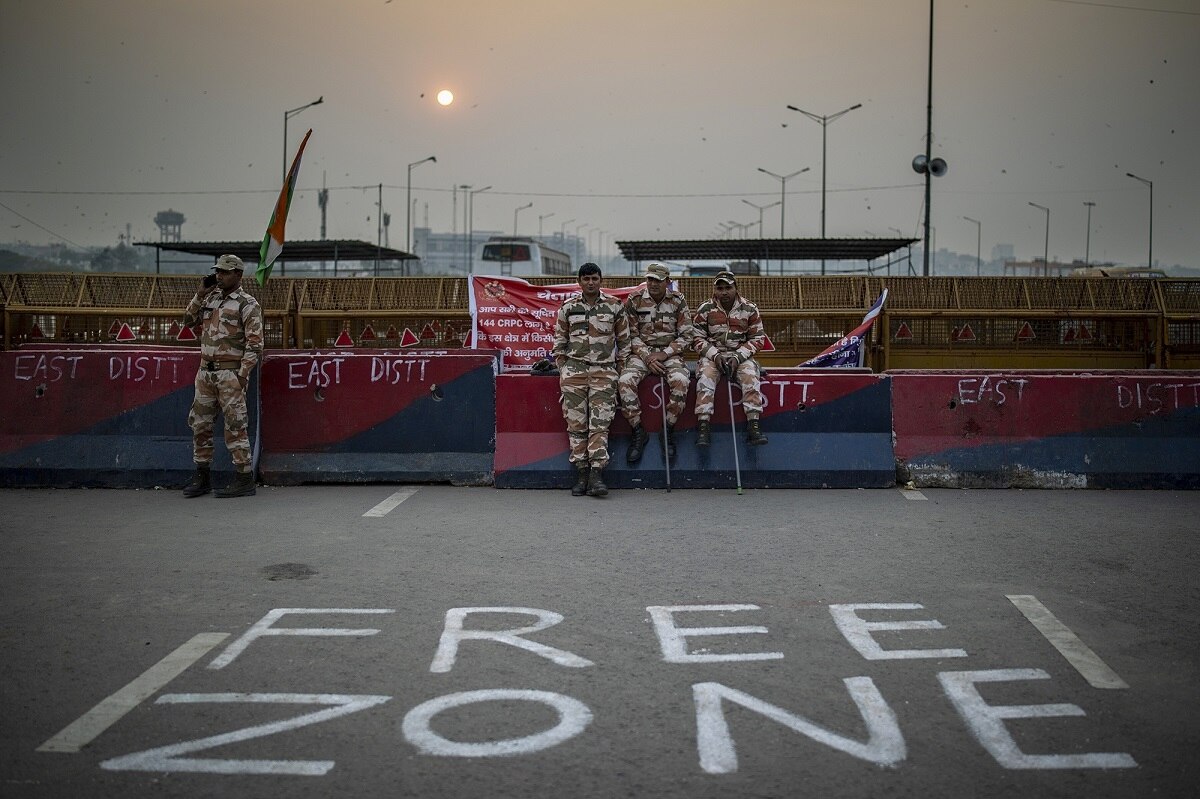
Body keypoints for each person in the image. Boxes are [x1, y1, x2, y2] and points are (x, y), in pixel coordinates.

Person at [181, 254, 264, 498]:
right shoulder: (211, 299)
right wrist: (199, 295)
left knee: (235, 426)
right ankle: (202, 475)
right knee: (200, 424)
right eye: (217, 271)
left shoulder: (247, 304)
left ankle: (244, 478)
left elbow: (255, 344)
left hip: (230, 373)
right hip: (205, 372)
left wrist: (242, 375)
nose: (219, 276)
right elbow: (187, 322)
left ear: (238, 275)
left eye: (225, 272)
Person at [552, 262, 631, 497]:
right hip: (574, 372)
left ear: (601, 280)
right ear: (579, 281)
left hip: (604, 372)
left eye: (594, 278)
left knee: (600, 424)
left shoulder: (614, 307)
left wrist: (619, 369)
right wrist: (564, 369)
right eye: (586, 279)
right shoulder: (568, 308)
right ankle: (582, 473)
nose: (590, 283)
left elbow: (624, 343)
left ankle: (597, 475)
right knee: (576, 424)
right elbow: (559, 343)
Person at [618, 262, 693, 463]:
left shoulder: (678, 301)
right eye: (650, 279)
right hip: (643, 354)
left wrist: (665, 354)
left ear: (667, 282)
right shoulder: (635, 300)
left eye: (658, 280)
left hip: (670, 354)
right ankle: (638, 431)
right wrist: (647, 356)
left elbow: (687, 335)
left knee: (681, 380)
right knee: (624, 381)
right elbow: (630, 335)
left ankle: (668, 429)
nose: (653, 284)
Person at [691, 270, 769, 446]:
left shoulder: (749, 308)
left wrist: (738, 356)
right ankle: (703, 426)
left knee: (750, 376)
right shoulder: (705, 309)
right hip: (713, 355)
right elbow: (696, 338)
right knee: (705, 378)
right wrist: (714, 355)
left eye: (728, 287)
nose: (724, 292)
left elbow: (758, 339)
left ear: (736, 288)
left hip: (740, 355)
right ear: (715, 290)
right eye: (720, 288)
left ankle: (754, 425)